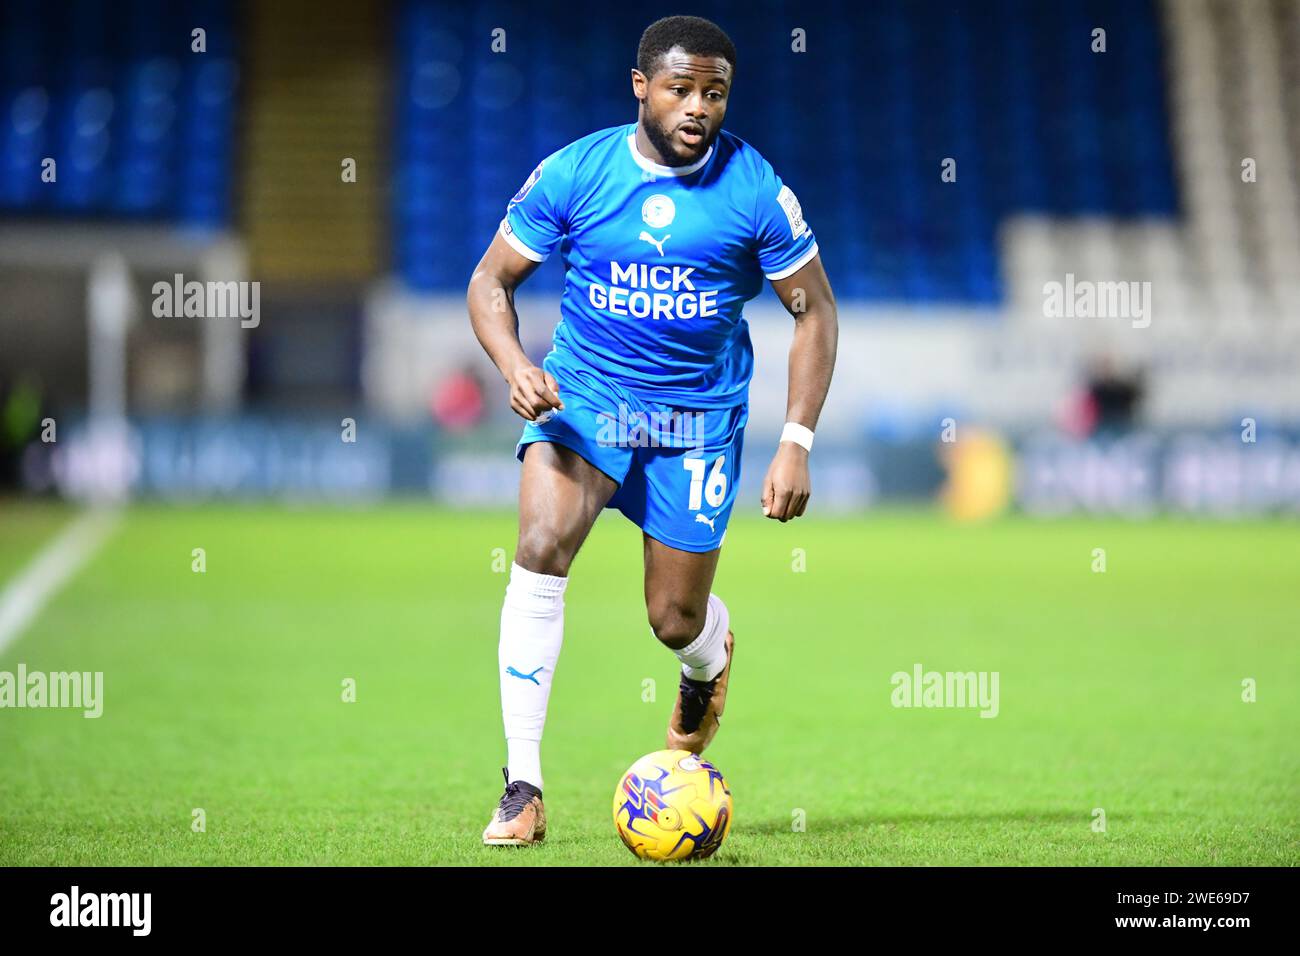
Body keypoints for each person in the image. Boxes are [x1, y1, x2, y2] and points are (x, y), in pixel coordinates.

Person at [466, 14, 838, 846]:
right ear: (643, 88)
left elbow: (814, 314)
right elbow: (491, 282)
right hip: (587, 399)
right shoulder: (577, 171)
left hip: (697, 421)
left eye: (714, 92)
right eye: (680, 89)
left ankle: (708, 657)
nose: (698, 107)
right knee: (540, 544)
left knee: (673, 618)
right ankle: (521, 786)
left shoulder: (756, 192)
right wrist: (516, 365)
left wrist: (795, 440)